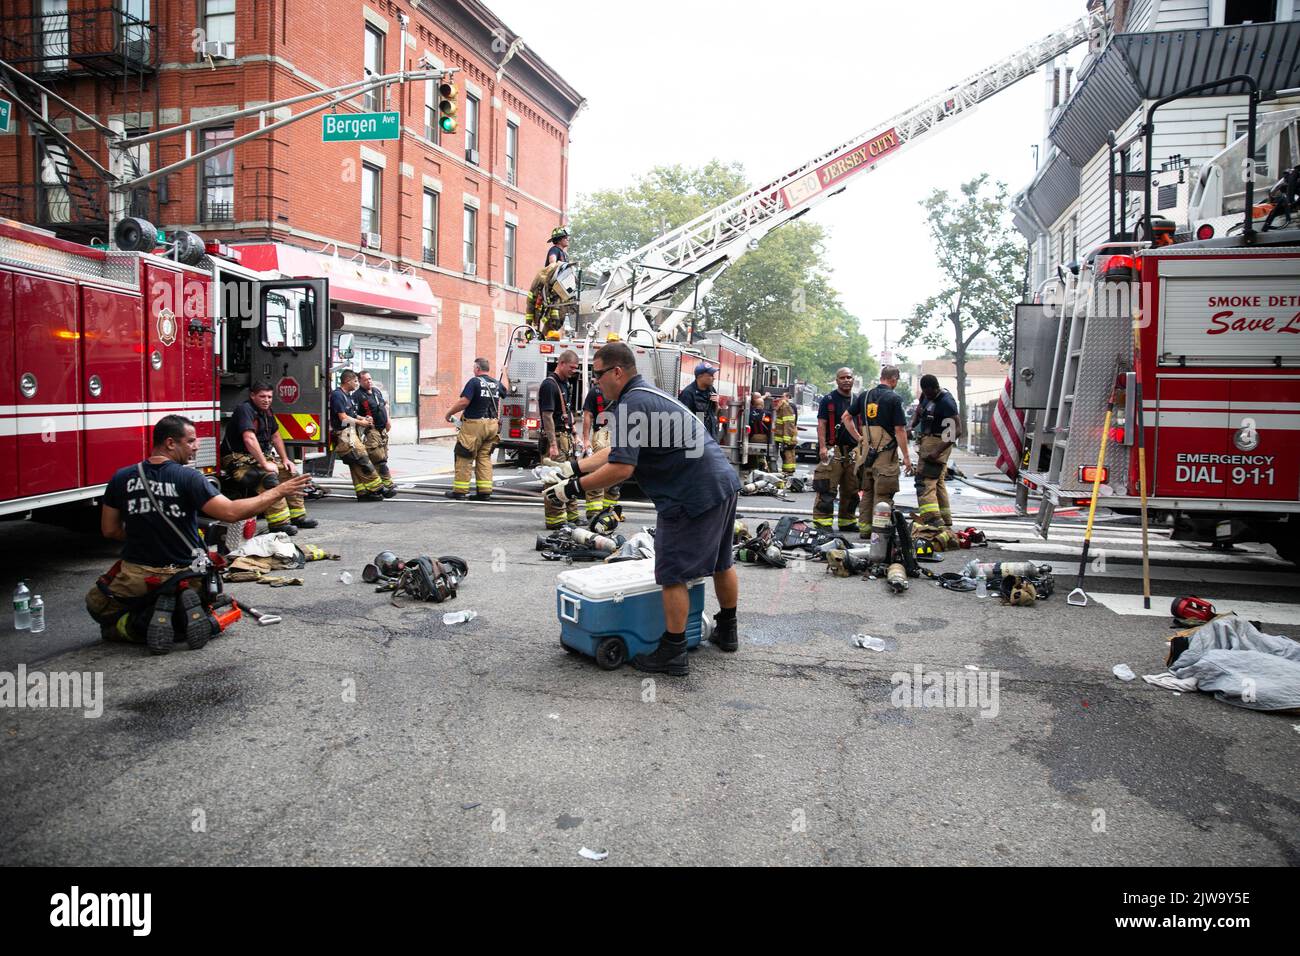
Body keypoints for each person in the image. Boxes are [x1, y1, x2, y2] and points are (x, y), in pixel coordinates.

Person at [543, 342, 741, 676]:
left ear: (617, 372)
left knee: (672, 572)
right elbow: (617, 452)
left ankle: (673, 652)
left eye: (598, 373)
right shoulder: (645, 395)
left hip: (690, 493)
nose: (595, 382)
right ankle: (728, 630)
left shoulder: (631, 404)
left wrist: (571, 490)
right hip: (720, 481)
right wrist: (573, 468)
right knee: (721, 561)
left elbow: (622, 468)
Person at [86, 415, 311, 653]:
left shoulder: (122, 477)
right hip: (186, 574)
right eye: (191, 441)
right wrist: (278, 491)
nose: (196, 446)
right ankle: (180, 613)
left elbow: (109, 530)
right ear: (171, 443)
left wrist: (146, 534)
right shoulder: (189, 478)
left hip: (137, 575)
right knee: (204, 596)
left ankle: (135, 623)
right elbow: (231, 513)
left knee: (100, 608)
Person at [220, 382, 317, 534]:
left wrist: (285, 459)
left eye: (269, 397)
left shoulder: (267, 412)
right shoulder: (245, 410)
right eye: (262, 396)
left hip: (257, 459)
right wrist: (265, 463)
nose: (266, 400)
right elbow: (249, 439)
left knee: (292, 474)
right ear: (252, 396)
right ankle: (279, 523)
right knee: (268, 479)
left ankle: (298, 516)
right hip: (238, 461)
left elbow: (276, 436)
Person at [847, 365, 912, 536]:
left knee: (867, 492)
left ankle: (865, 530)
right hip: (885, 455)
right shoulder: (894, 399)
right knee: (882, 493)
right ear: (893, 379)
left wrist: (858, 437)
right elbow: (899, 430)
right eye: (896, 380)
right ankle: (879, 532)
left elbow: (846, 417)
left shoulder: (864, 395)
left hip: (866, 453)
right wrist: (906, 457)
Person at [444, 357, 509, 500]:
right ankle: (485, 492)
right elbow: (506, 389)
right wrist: (504, 372)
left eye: (474, 368)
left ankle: (460, 492)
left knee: (464, 455)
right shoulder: (495, 383)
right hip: (492, 426)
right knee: (484, 457)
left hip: (475, 426)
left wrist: (449, 413)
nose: (473, 370)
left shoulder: (474, 382)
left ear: (478, 369)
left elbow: (464, 402)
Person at [813, 367, 860, 533]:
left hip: (853, 451)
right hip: (834, 450)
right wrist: (823, 447)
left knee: (851, 489)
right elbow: (822, 424)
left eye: (849, 377)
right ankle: (822, 524)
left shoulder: (858, 399)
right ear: (837, 380)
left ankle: (847, 521)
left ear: (853, 379)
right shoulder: (828, 400)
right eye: (842, 377)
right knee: (826, 488)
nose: (846, 380)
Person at [914, 373, 961, 532]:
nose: (927, 396)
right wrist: (911, 425)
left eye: (930, 393)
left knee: (925, 482)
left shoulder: (946, 402)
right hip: (927, 440)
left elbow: (957, 431)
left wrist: (937, 452)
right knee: (938, 481)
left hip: (938, 442)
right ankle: (945, 520)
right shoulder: (925, 395)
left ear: (935, 388)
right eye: (925, 393)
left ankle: (933, 521)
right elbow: (920, 410)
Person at [539, 349, 581, 529]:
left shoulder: (565, 384)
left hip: (566, 438)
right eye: (571, 367)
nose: (574, 371)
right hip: (555, 438)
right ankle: (555, 520)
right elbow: (547, 416)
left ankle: (572, 517)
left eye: (576, 368)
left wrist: (574, 434)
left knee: (569, 477)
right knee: (553, 478)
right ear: (561, 363)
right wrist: (553, 445)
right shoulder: (549, 384)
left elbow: (567, 411)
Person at [330, 370, 385, 501]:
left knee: (354, 463)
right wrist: (361, 422)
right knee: (362, 458)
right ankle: (377, 487)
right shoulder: (338, 395)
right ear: (348, 381)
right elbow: (343, 418)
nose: (356, 384)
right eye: (355, 381)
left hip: (351, 432)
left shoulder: (347, 395)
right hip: (344, 434)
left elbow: (352, 414)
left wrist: (364, 418)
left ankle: (362, 493)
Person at [581, 378, 622, 522]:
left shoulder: (594, 392)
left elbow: (588, 415)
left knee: (599, 473)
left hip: (602, 435)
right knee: (614, 476)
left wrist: (586, 439)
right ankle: (606, 513)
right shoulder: (622, 391)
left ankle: (596, 513)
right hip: (617, 435)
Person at [355, 370, 397, 498]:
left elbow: (384, 406)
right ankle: (388, 484)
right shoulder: (357, 396)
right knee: (378, 458)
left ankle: (376, 483)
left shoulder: (376, 391)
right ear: (360, 381)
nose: (369, 381)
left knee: (383, 456)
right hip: (371, 431)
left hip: (382, 430)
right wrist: (363, 420)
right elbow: (353, 414)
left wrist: (388, 420)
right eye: (366, 379)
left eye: (370, 378)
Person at [679, 362, 721, 440]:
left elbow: (714, 412)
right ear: (700, 376)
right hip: (696, 437)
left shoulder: (711, 389)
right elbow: (683, 419)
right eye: (710, 375)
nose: (714, 378)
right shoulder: (688, 393)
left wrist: (717, 404)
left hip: (711, 435)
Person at [744, 392, 772, 478]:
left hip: (752, 438)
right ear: (763, 405)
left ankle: (752, 468)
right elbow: (770, 428)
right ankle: (763, 466)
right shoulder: (768, 414)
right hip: (765, 440)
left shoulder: (749, 413)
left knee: (751, 454)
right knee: (762, 454)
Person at [771, 391, 798, 477]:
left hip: (784, 435)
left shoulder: (786, 407)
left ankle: (788, 472)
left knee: (787, 453)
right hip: (779, 435)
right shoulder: (782, 406)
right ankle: (786, 471)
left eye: (782, 396)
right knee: (783, 454)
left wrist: (787, 439)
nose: (779, 398)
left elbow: (788, 423)